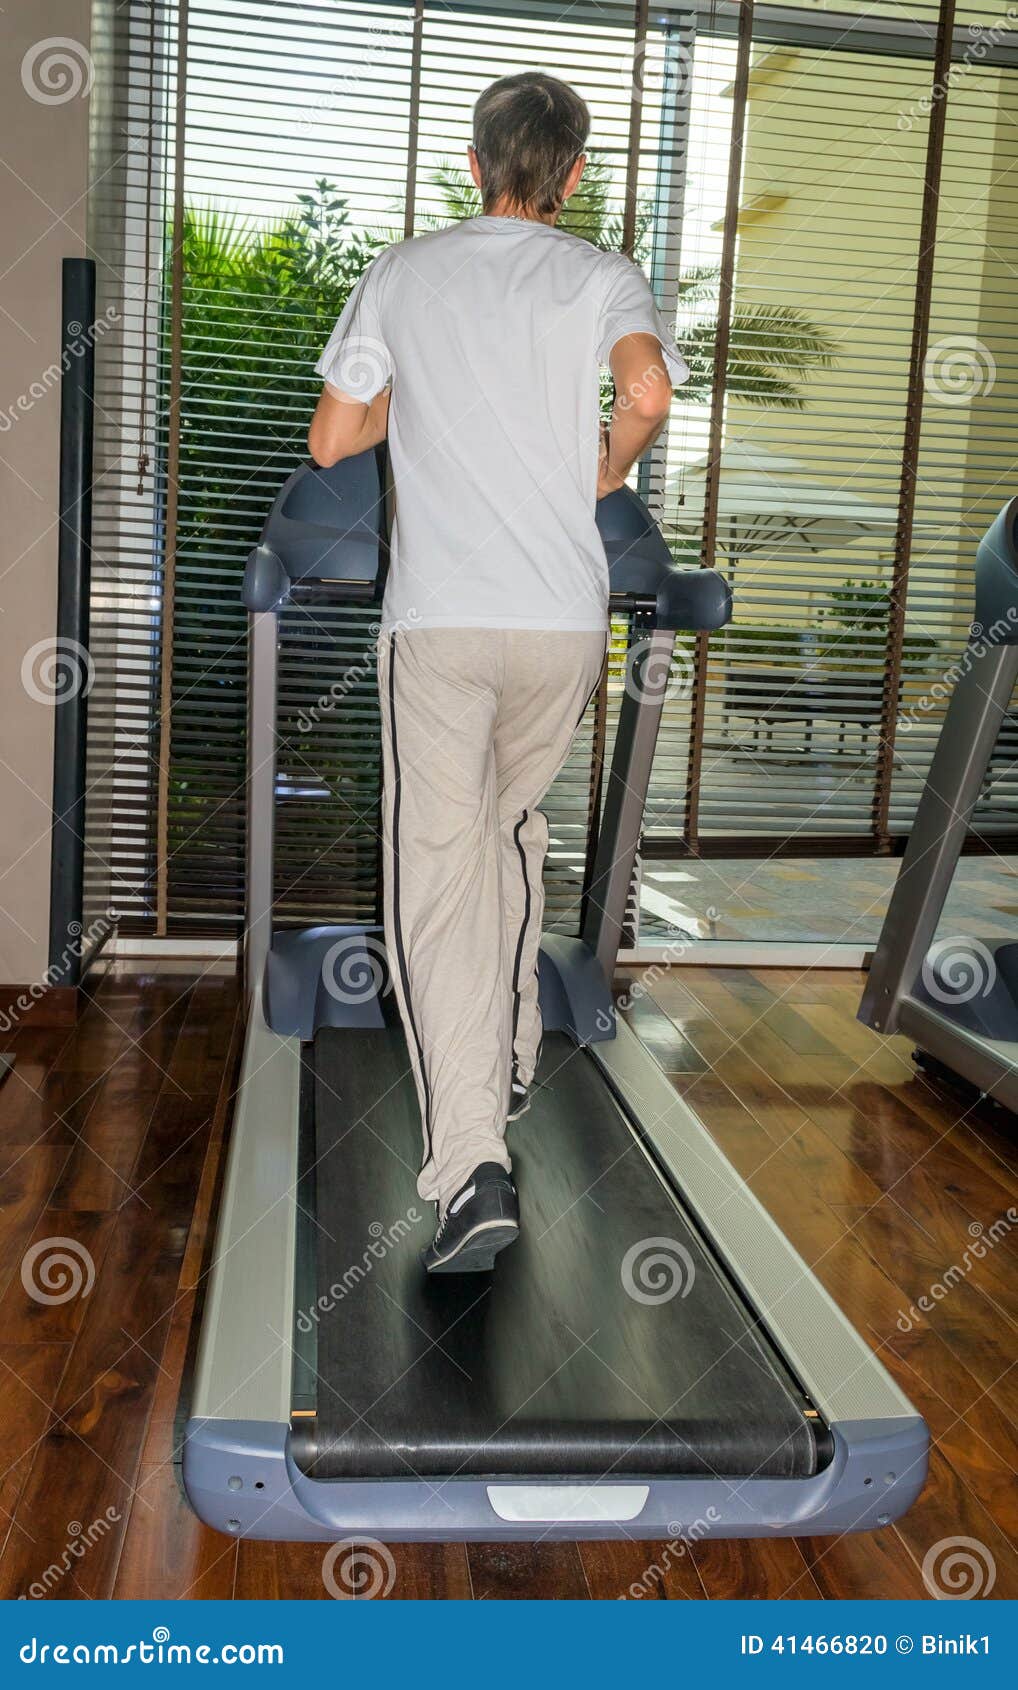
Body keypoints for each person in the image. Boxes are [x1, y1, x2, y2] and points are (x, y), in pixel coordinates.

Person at [308, 71, 688, 1272]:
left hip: (443, 623)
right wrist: (599, 470)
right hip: (561, 624)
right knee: (510, 827)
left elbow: (332, 436)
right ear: (571, 174)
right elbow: (645, 389)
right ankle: (515, 1042)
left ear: (475, 163)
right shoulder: (599, 276)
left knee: (435, 871)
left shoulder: (405, 272)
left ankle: (470, 1159)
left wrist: (415, 410)